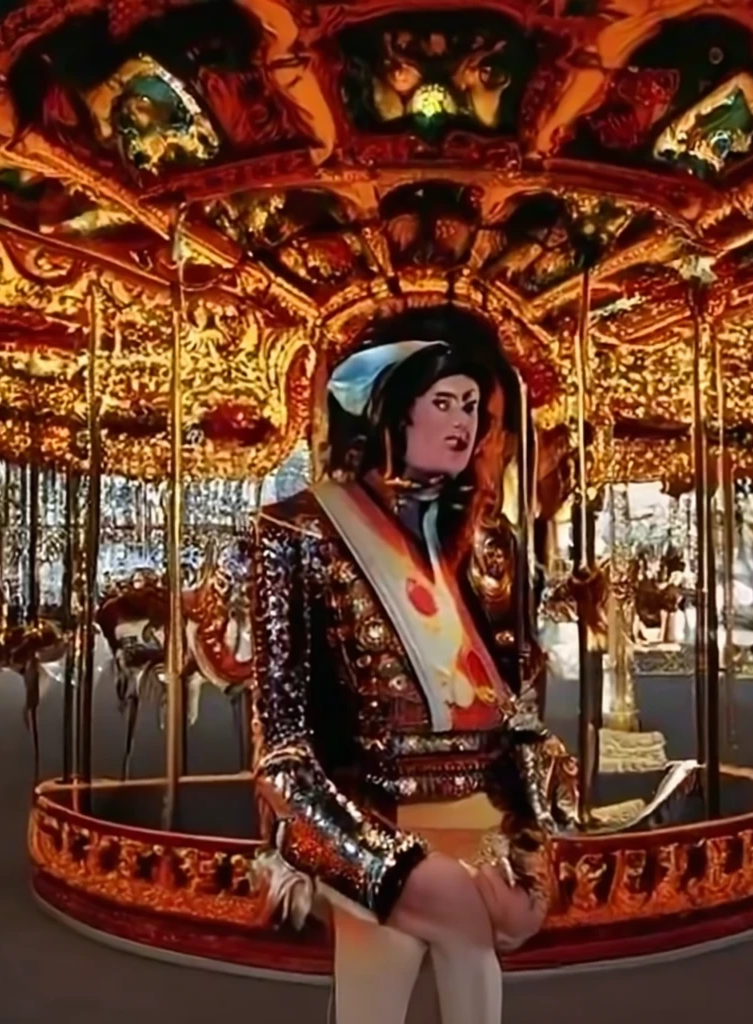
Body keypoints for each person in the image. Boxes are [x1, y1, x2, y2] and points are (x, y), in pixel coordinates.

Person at [248, 307, 579, 1024]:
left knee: (474, 962)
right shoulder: (299, 531)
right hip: (367, 809)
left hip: (480, 813)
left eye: (473, 408)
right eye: (445, 402)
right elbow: (281, 746)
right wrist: (371, 855)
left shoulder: (491, 544)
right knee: (391, 974)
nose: (466, 424)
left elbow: (514, 709)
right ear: (393, 414)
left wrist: (534, 830)